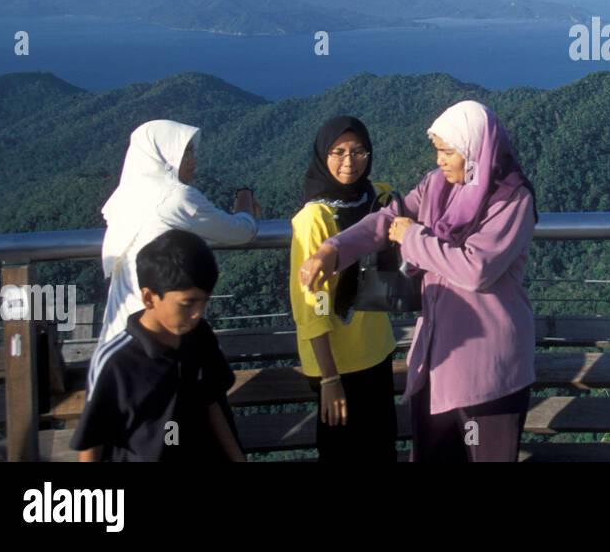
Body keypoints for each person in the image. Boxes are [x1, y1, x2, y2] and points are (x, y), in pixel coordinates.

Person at [301, 100, 538, 462]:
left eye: (448, 151)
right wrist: (333, 250)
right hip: (438, 361)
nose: (439, 160)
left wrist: (413, 239)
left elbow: (476, 269)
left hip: (491, 371)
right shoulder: (436, 187)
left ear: (477, 150)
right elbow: (387, 219)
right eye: (437, 151)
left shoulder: (511, 200)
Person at [91, 120, 258, 393]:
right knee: (169, 422)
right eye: (185, 151)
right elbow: (240, 232)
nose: (192, 160)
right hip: (157, 333)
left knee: (146, 426)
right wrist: (245, 205)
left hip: (120, 333)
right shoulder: (176, 197)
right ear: (164, 154)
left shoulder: (126, 196)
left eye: (192, 151)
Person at [72, 229, 245, 462]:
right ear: (149, 298)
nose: (197, 314)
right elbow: (93, 442)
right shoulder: (117, 362)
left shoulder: (199, 336)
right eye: (188, 303)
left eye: (204, 302)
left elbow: (212, 402)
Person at [289, 116, 399, 462]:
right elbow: (312, 306)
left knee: (382, 450)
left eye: (358, 151)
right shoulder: (314, 220)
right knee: (341, 454)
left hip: (376, 350)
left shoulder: (379, 197)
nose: (349, 161)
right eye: (337, 152)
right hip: (335, 364)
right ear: (323, 155)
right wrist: (329, 379)